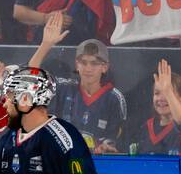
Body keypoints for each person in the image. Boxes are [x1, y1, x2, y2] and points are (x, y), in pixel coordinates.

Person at [0, 65, 102, 174]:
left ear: (25, 100)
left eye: (9, 98)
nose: (4, 105)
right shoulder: (6, 142)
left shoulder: (64, 138)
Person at [29, 17, 127, 152]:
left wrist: (107, 148)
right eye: (83, 62)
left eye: (94, 63)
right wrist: (46, 44)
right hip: (61, 161)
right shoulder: (63, 88)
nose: (88, 68)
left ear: (105, 67)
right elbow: (30, 78)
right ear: (76, 64)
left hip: (97, 165)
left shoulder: (115, 98)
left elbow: (118, 140)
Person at [127, 59, 181, 156]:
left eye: (168, 93)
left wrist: (168, 91)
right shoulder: (144, 128)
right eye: (157, 93)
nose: (161, 98)